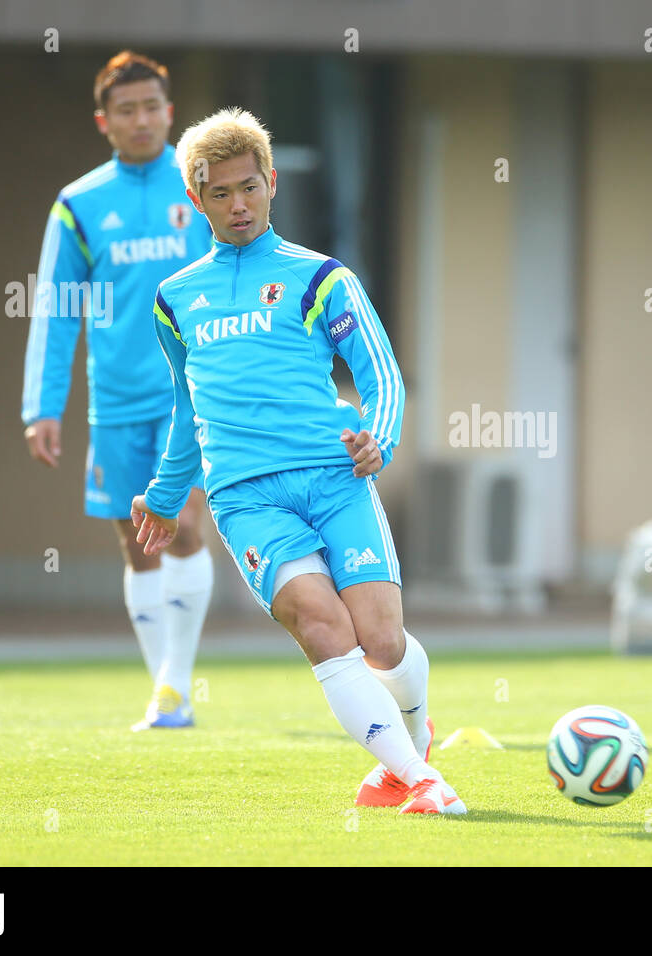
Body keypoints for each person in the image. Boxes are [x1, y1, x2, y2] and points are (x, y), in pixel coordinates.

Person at [129, 107, 464, 813]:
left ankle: (413, 736)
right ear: (196, 200)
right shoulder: (173, 300)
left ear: (272, 182)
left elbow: (382, 376)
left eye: (249, 187)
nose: (238, 204)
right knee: (321, 625)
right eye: (219, 193)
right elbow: (188, 411)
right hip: (246, 497)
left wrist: (379, 437)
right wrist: (164, 495)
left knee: (382, 641)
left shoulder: (321, 279)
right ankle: (419, 778)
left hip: (334, 478)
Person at [21, 51, 214, 730]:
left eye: (153, 107)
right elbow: (56, 308)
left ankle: (175, 685)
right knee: (140, 543)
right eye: (126, 110)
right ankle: (168, 692)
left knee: (184, 526)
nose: (142, 120)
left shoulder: (203, 187)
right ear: (105, 121)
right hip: (116, 402)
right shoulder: (78, 205)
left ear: (170, 111)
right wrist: (42, 406)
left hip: (190, 396)